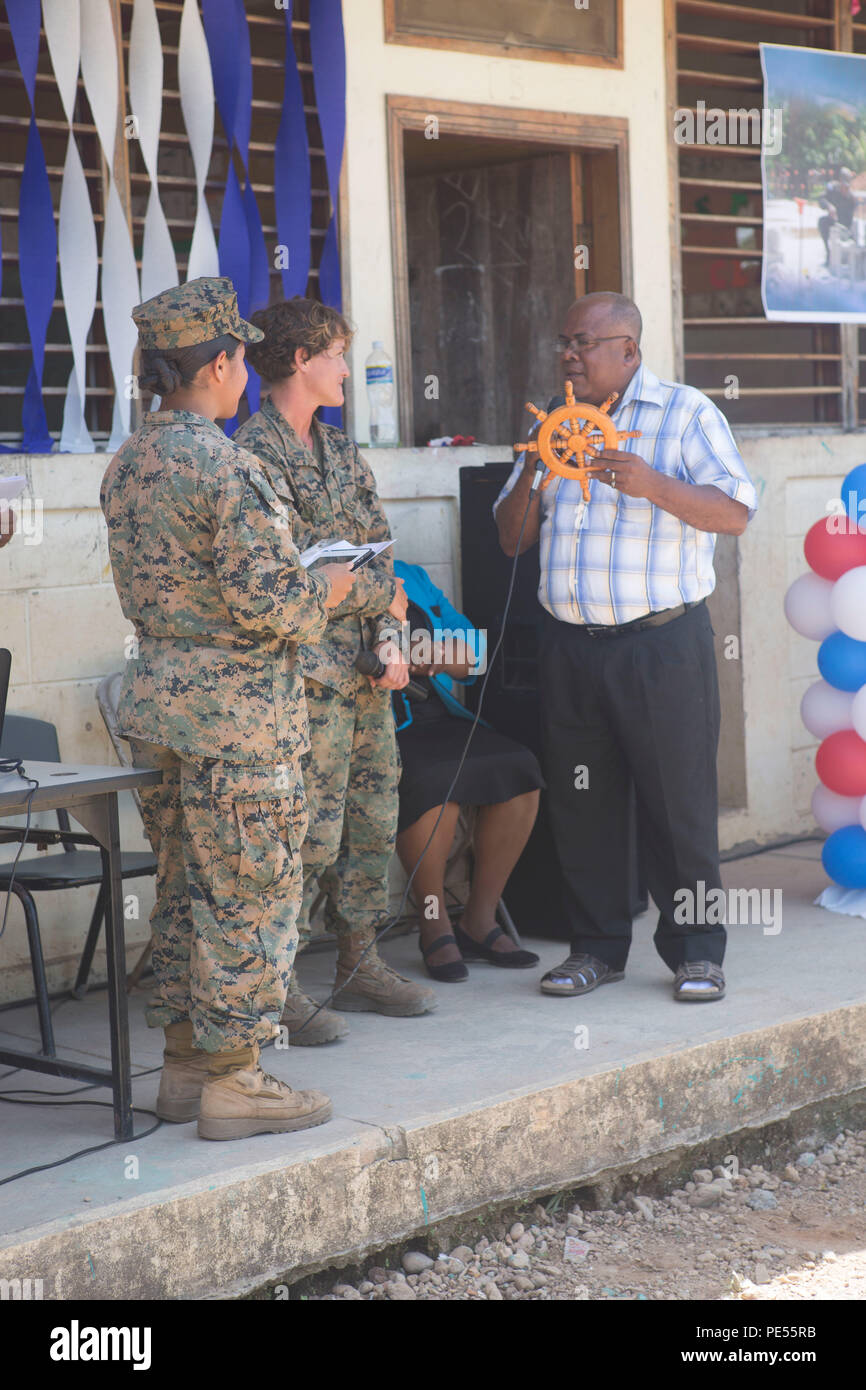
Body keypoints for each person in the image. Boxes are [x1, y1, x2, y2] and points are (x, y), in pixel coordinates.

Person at [100, 277, 357, 1140]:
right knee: (247, 896)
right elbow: (271, 605)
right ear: (218, 365)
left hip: (160, 708)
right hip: (239, 721)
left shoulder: (131, 460)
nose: (244, 371)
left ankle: (183, 1071)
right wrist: (328, 584)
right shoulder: (226, 465)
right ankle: (239, 1081)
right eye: (240, 356)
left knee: (181, 893)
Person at [495, 291, 758, 1003]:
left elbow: (734, 512)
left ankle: (698, 952)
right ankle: (597, 949)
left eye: (583, 342)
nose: (569, 354)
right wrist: (533, 470)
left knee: (680, 807)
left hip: (661, 646)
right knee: (584, 805)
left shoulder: (685, 413)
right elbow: (511, 537)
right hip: (571, 649)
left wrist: (651, 483)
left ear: (629, 351)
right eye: (564, 342)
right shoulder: (552, 423)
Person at [234, 298, 435, 1045]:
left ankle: (359, 965)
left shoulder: (343, 454)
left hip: (364, 679)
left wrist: (389, 644)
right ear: (299, 361)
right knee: (303, 837)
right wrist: (375, 608)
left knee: (371, 822)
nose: (347, 368)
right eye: (338, 354)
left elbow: (381, 561)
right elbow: (277, 589)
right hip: (300, 685)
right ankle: (278, 984)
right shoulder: (250, 457)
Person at [388, 560, 542, 982]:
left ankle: (480, 918)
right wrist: (431, 653)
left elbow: (473, 653)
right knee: (435, 781)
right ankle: (433, 923)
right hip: (376, 729)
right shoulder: (321, 580)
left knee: (518, 769)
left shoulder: (409, 575)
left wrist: (425, 657)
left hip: (435, 715)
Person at [818, 168, 857, 268]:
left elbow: (849, 220)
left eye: (847, 186)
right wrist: (829, 206)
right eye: (843, 185)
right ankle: (828, 253)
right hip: (832, 221)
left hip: (844, 226)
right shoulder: (832, 188)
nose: (845, 188)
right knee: (822, 222)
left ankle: (845, 257)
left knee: (846, 238)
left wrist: (838, 221)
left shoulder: (851, 199)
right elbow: (821, 199)